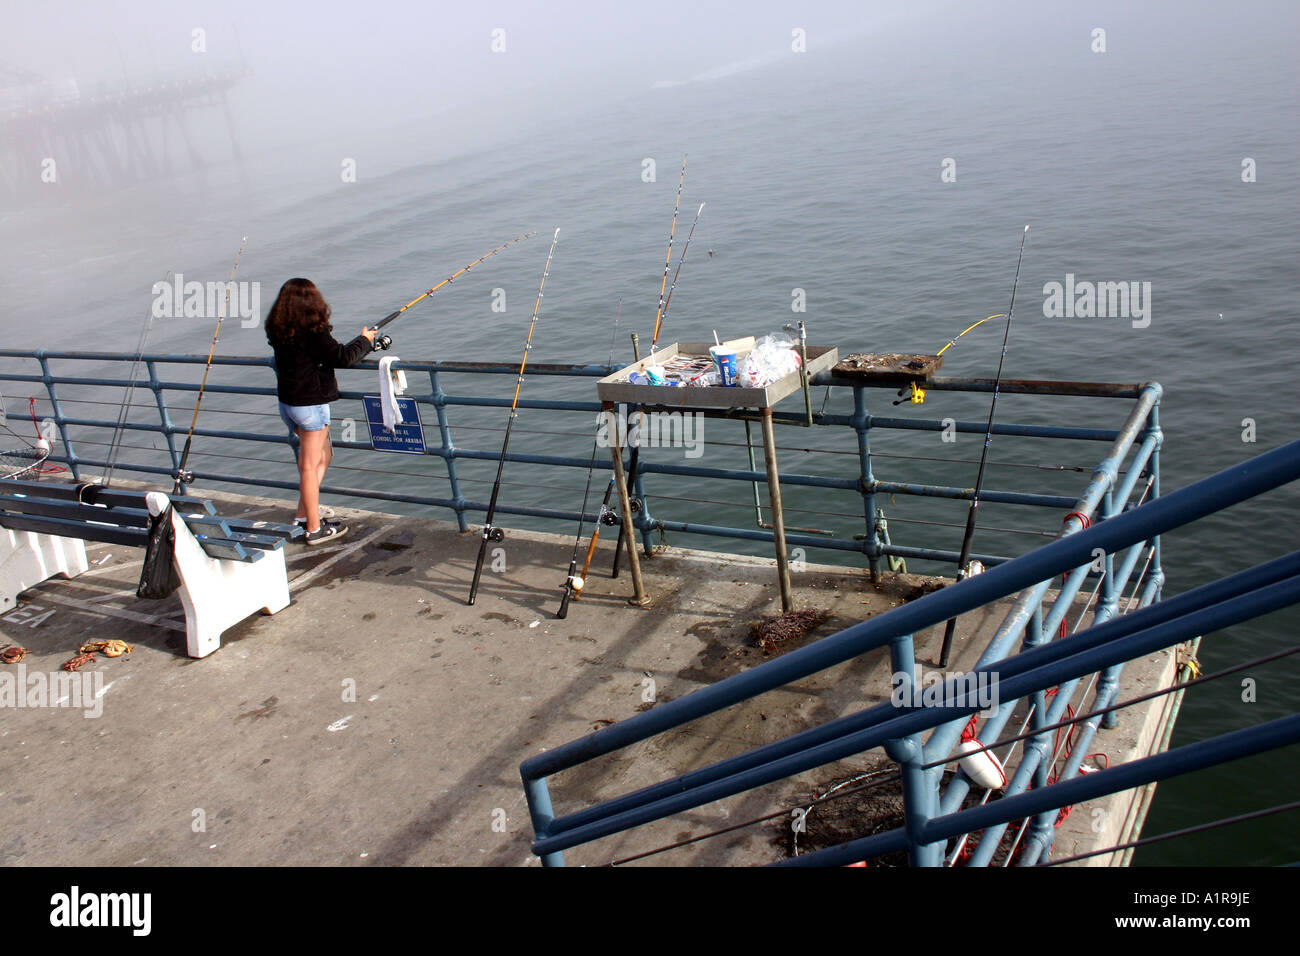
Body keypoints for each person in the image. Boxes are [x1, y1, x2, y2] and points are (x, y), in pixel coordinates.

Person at [265, 278, 376, 544]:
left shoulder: (279, 329)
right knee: (309, 466)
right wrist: (366, 340)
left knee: (324, 456)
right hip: (310, 406)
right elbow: (342, 357)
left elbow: (326, 354)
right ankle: (314, 528)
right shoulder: (312, 331)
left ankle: (305, 514)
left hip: (289, 404)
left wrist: (359, 342)